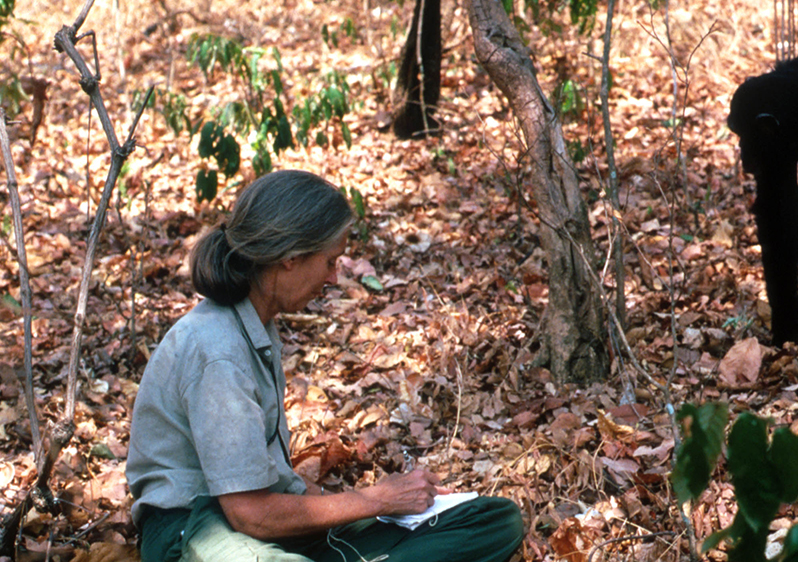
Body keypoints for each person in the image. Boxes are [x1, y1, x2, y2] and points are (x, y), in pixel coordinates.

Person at [126, 170, 525, 562]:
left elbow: (268, 494)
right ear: (290, 257)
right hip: (194, 530)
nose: (334, 278)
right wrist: (376, 499)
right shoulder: (217, 349)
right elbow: (250, 514)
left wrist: (378, 505)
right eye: (330, 261)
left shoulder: (255, 326)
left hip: (261, 521)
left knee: (492, 520)